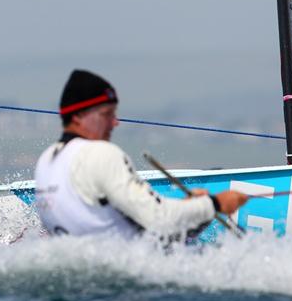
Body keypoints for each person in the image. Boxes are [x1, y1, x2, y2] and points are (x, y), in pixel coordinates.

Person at [34, 69, 248, 242]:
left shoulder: (46, 161)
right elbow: (159, 219)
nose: (114, 123)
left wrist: (194, 211)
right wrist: (215, 204)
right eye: (107, 114)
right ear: (79, 116)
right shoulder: (100, 153)